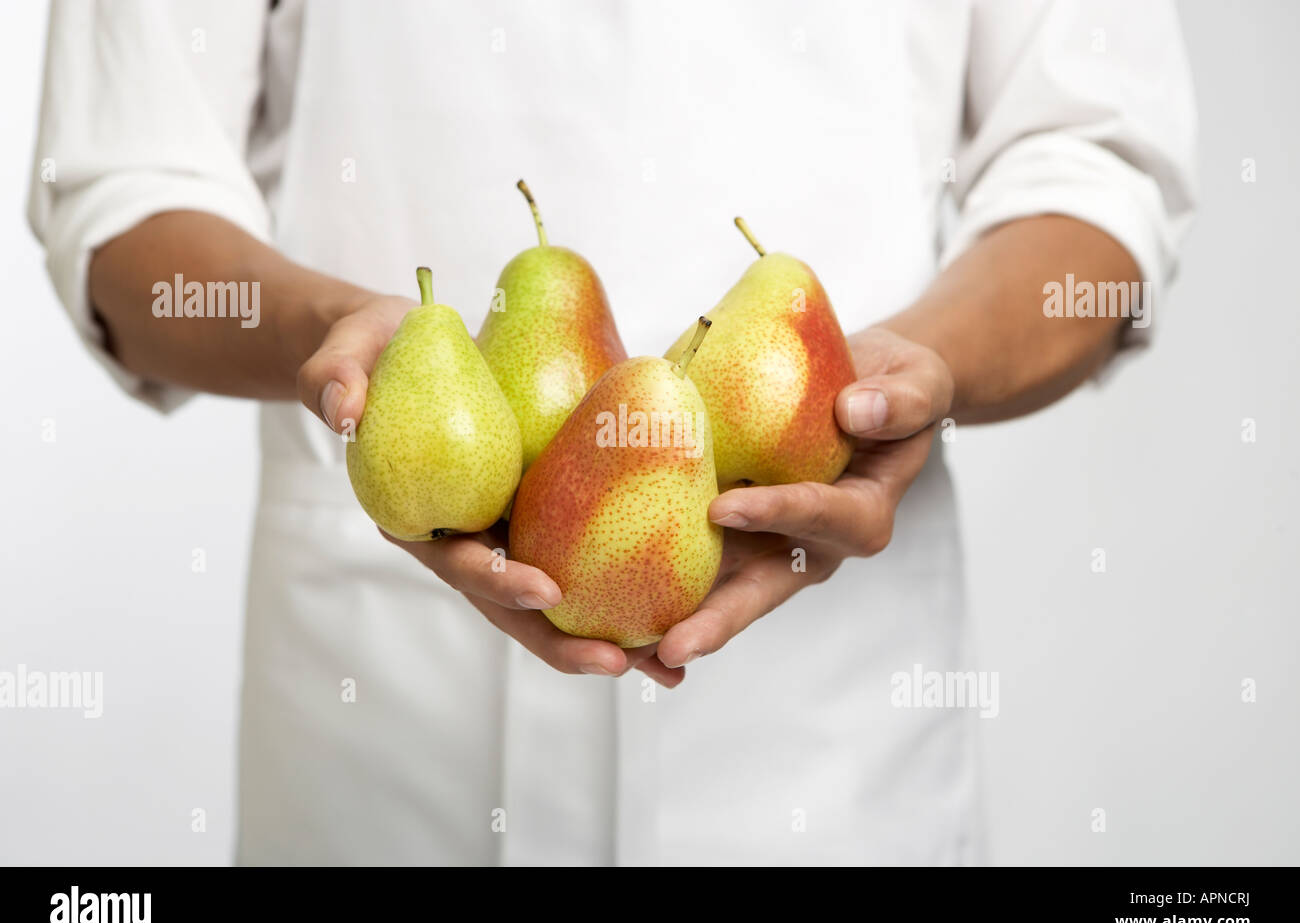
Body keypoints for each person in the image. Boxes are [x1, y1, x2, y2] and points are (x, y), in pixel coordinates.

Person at [28, 0, 1196, 865]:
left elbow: (1096, 164)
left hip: (825, 751)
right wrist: (330, 329)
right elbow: (127, 190)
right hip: (380, 726)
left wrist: (911, 375)